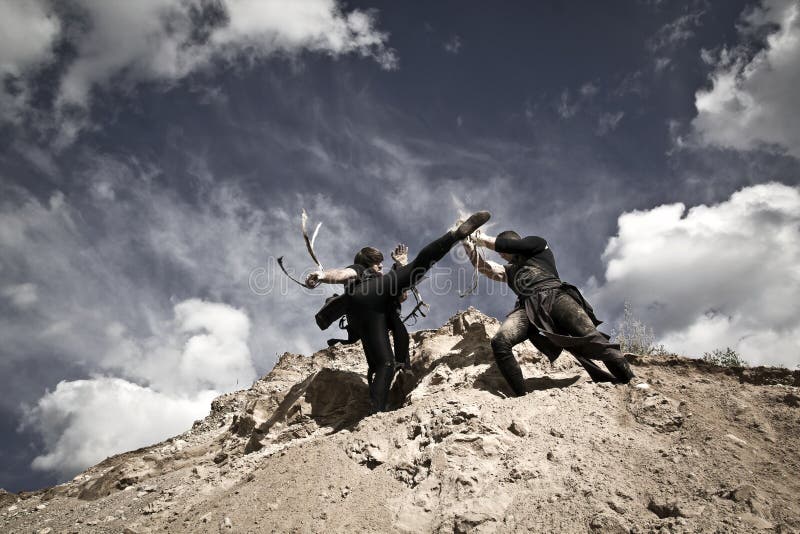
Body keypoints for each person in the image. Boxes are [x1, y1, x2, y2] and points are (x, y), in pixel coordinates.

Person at [307, 211, 491, 412]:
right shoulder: (362, 269)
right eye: (378, 263)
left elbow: (400, 295)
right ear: (369, 263)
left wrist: (399, 265)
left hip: (361, 315)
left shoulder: (373, 277)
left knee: (383, 363)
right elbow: (345, 273)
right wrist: (323, 275)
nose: (381, 265)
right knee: (418, 266)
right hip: (373, 295)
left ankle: (378, 403)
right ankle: (454, 235)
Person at [462, 229, 634, 396]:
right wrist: (469, 247)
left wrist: (481, 238)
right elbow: (485, 268)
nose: (501, 255)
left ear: (512, 244)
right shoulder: (510, 271)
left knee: (591, 337)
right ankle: (522, 397)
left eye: (503, 251)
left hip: (555, 296)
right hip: (527, 308)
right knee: (500, 342)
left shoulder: (537, 245)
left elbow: (504, 245)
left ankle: (630, 381)